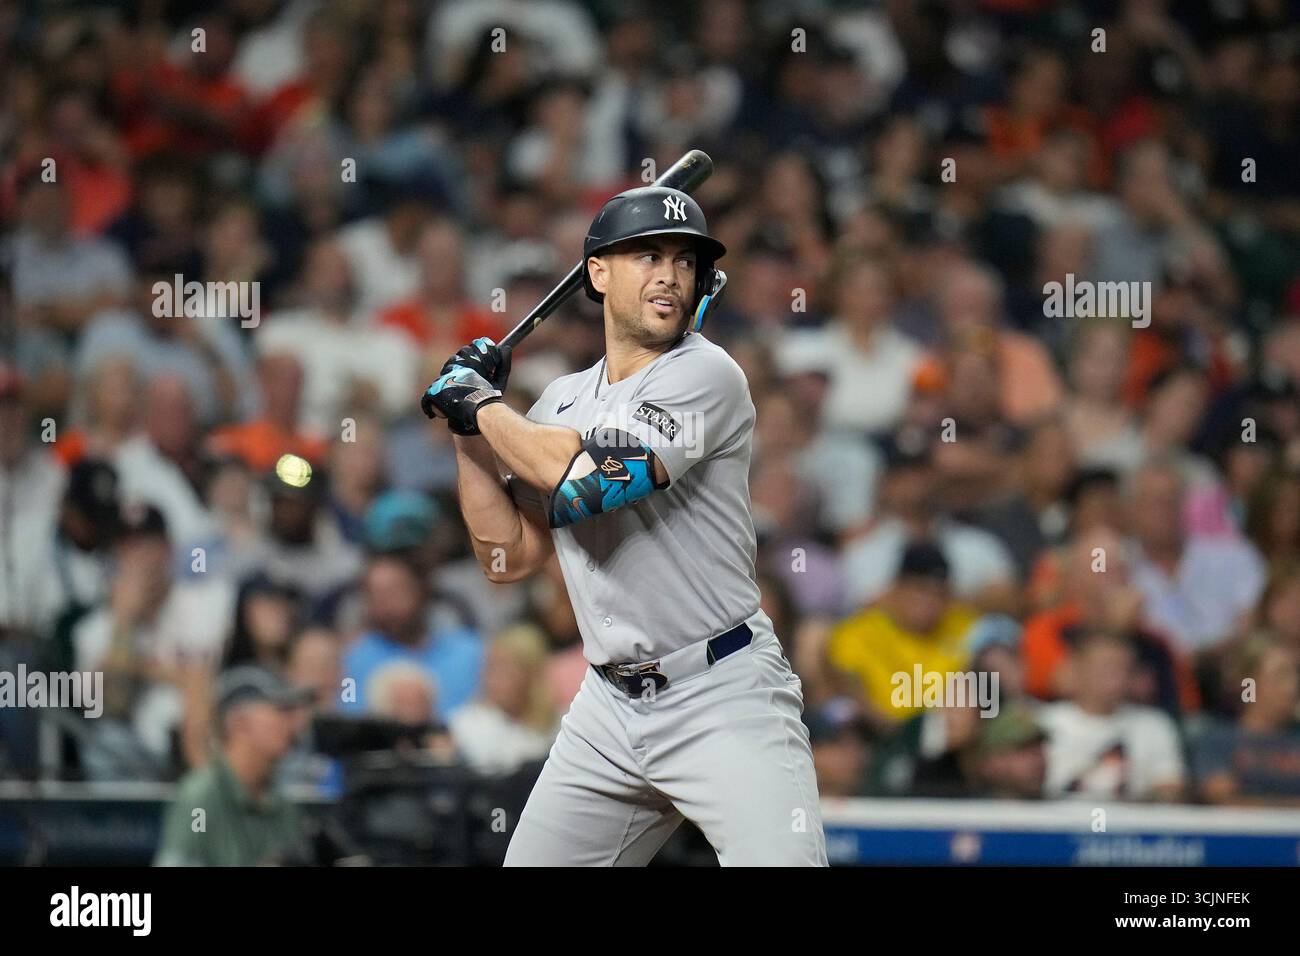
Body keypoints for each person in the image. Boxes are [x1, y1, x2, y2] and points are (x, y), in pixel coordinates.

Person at [421, 184, 827, 865]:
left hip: (720, 693)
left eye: (683, 260)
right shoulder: (559, 400)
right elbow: (507, 559)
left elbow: (593, 476)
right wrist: (467, 433)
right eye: (646, 255)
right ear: (598, 274)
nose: (670, 274)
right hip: (608, 708)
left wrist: (484, 405)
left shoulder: (707, 374)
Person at [154, 666, 312, 866]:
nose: (292, 725)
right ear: (240, 722)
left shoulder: (281, 804)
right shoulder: (201, 797)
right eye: (281, 711)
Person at [1038, 629, 1187, 802]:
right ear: (1077, 669)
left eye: (1124, 668)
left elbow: (1170, 787)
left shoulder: (1154, 725)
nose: (1117, 677)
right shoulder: (1045, 722)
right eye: (1107, 667)